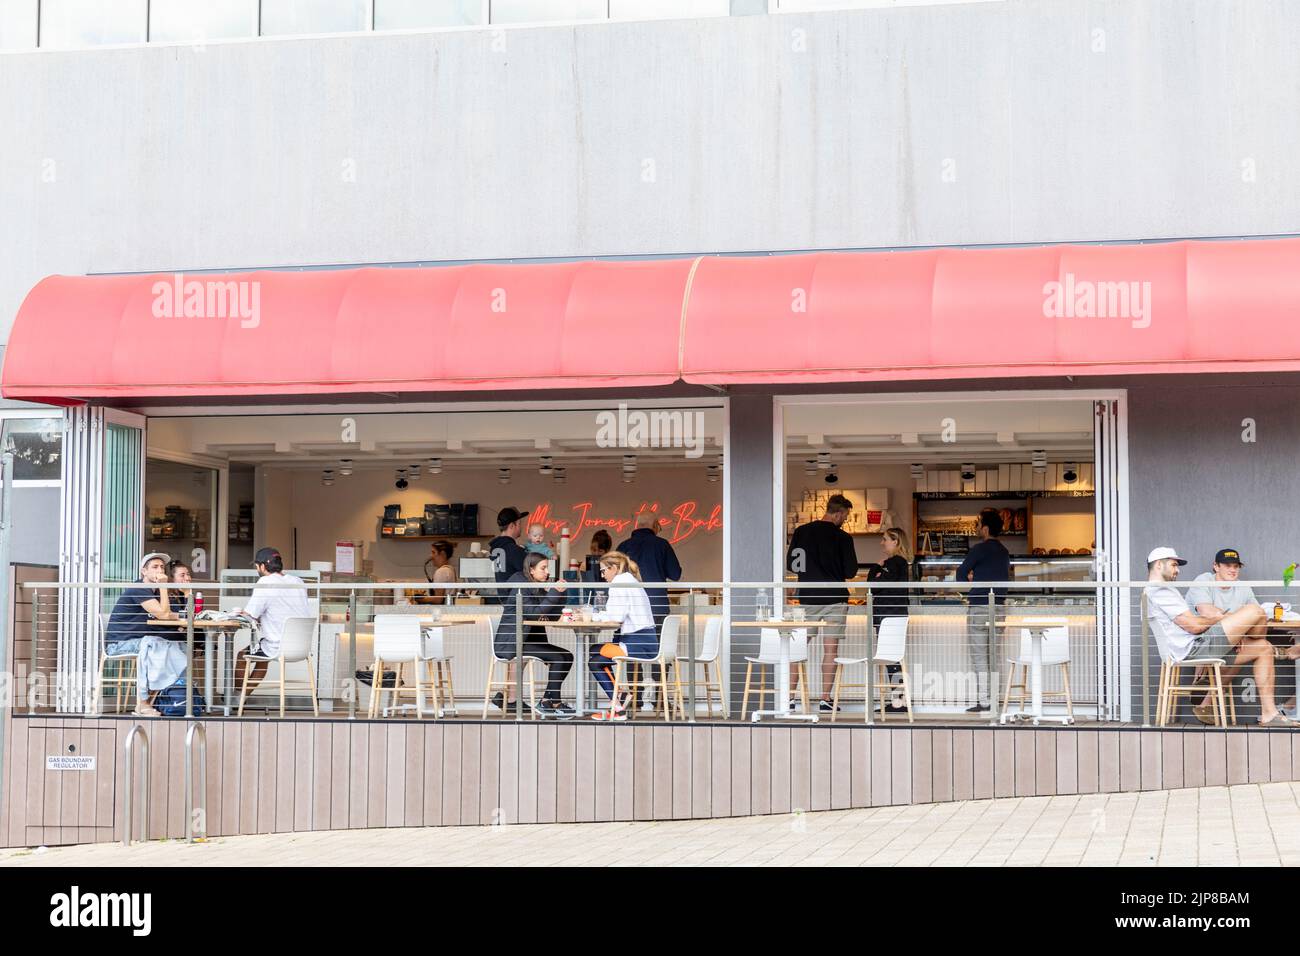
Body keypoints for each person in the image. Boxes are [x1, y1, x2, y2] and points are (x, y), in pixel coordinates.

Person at [1146, 546, 1293, 725]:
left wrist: (1231, 625)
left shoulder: (1165, 590)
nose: (1177, 570)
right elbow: (1193, 625)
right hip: (1195, 647)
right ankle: (1277, 649)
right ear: (1159, 565)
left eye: (1236, 566)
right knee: (1255, 611)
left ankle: (1269, 714)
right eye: (1174, 565)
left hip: (1201, 644)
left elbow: (1194, 621)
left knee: (1263, 648)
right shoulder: (1160, 591)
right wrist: (1226, 620)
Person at [785, 493, 858, 713]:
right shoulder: (844, 538)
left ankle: (789, 698)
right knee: (831, 649)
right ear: (839, 513)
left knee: (798, 648)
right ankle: (825, 699)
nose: (844, 520)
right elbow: (850, 571)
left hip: (808, 597)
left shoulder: (802, 532)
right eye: (845, 516)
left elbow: (793, 565)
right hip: (835, 598)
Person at [104, 552, 188, 717]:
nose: (160, 570)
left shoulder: (155, 591)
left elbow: (168, 613)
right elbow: (163, 614)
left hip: (140, 641)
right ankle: (142, 702)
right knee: (153, 644)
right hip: (120, 644)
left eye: (162, 567)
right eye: (155, 567)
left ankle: (154, 701)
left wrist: (179, 612)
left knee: (179, 646)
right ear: (144, 571)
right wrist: (164, 587)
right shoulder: (139, 588)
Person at [492, 552, 575, 717]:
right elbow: (535, 613)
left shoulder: (533, 586)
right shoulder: (521, 588)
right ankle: (553, 702)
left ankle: (547, 700)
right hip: (514, 642)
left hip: (527, 639)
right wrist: (554, 593)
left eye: (547, 568)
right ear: (531, 570)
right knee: (559, 658)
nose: (547, 572)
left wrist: (560, 592)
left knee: (567, 656)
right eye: (543, 568)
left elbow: (550, 614)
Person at [229, 547, 311, 699]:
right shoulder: (297, 581)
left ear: (261, 566)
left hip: (277, 645)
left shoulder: (265, 582)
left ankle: (237, 698)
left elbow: (250, 614)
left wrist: (240, 613)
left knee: (242, 656)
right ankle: (241, 698)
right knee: (261, 660)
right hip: (301, 646)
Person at [588, 551, 657, 721]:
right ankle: (619, 696)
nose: (602, 576)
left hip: (636, 643)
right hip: (646, 641)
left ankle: (618, 706)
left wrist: (593, 616)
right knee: (595, 650)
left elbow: (616, 617)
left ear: (614, 568)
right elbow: (618, 614)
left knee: (594, 661)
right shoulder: (630, 581)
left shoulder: (619, 583)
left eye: (604, 571)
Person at [957, 508, 1011, 713]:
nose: (977, 528)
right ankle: (995, 701)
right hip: (998, 607)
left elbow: (960, 575)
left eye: (978, 525)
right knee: (994, 655)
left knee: (980, 656)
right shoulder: (1004, 551)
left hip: (979, 606)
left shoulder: (979, 549)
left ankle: (985, 701)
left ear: (986, 528)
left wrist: (971, 578)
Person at [866, 527, 912, 712]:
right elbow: (875, 584)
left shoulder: (894, 562)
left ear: (896, 541)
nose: (882, 542)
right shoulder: (899, 563)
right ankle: (898, 701)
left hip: (888, 615)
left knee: (891, 659)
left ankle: (898, 703)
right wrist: (877, 571)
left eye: (885, 539)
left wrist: (876, 568)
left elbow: (873, 586)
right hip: (893, 614)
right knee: (893, 658)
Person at [488, 507, 529, 602]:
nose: (521, 527)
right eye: (519, 524)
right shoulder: (514, 550)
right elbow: (531, 574)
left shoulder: (497, 548)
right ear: (512, 526)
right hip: (517, 602)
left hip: (505, 600)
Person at [424, 539, 458, 604]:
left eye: (433, 552)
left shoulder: (441, 572)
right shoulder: (450, 569)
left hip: (442, 611)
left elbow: (437, 600)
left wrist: (418, 599)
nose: (431, 556)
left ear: (442, 554)